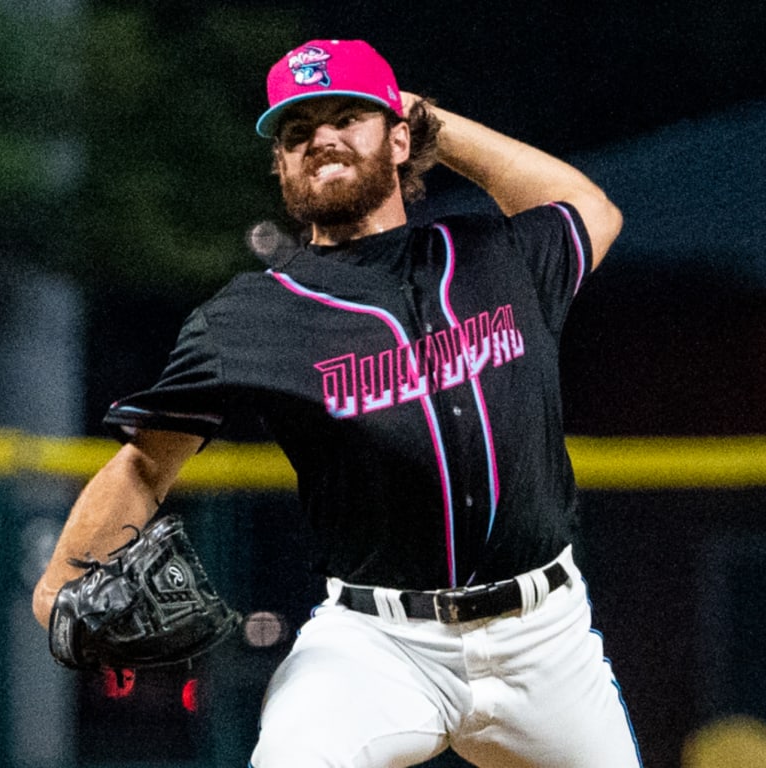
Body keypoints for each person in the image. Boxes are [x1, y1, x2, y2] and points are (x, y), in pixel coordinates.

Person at [33, 38, 640, 767]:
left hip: (547, 640)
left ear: (400, 138)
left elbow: (589, 210)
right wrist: (59, 583)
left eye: (347, 117)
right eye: (296, 132)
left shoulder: (490, 258)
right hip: (377, 646)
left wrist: (429, 115)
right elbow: (143, 467)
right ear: (281, 166)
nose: (320, 137)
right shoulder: (250, 317)